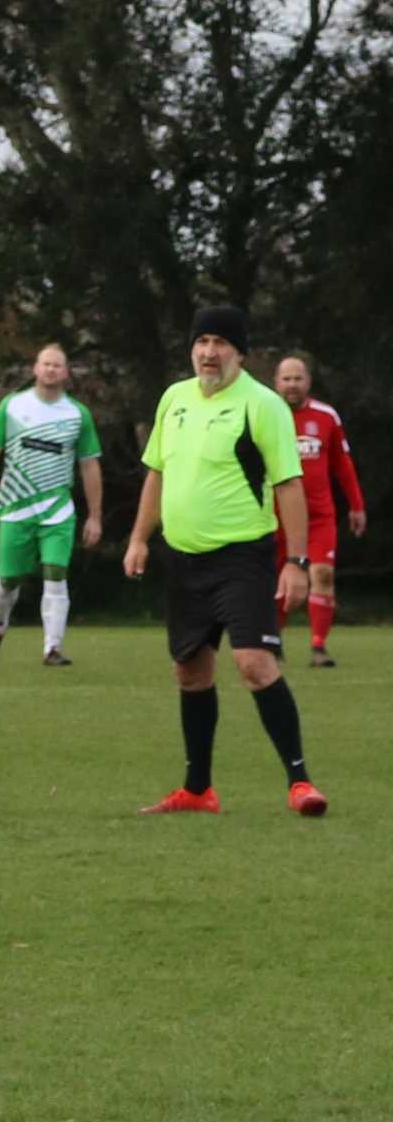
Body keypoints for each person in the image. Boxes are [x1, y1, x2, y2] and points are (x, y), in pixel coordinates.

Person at [123, 306, 326, 817]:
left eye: (220, 343)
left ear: (239, 351)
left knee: (254, 663)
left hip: (243, 557)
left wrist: (297, 562)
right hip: (185, 559)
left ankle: (300, 782)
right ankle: (197, 790)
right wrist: (139, 538)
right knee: (190, 671)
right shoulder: (174, 398)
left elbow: (289, 485)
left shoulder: (262, 405)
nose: (209, 352)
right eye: (202, 342)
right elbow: (156, 473)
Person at [0, 343, 104, 666]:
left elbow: (89, 465)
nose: (50, 370)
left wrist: (95, 516)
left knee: (56, 573)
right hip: (15, 507)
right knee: (8, 581)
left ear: (66, 373)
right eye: (45, 364)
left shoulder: (77, 414)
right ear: (35, 368)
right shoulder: (13, 406)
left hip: (57, 510)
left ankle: (52, 648)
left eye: (57, 365)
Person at [270, 355, 365, 667]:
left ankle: (318, 647)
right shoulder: (265, 415)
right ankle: (274, 641)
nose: (292, 384)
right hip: (275, 517)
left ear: (308, 382)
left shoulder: (326, 417)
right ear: (276, 382)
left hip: (319, 517)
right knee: (277, 581)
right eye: (287, 379)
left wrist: (356, 505)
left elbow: (342, 464)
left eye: (298, 378)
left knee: (322, 574)